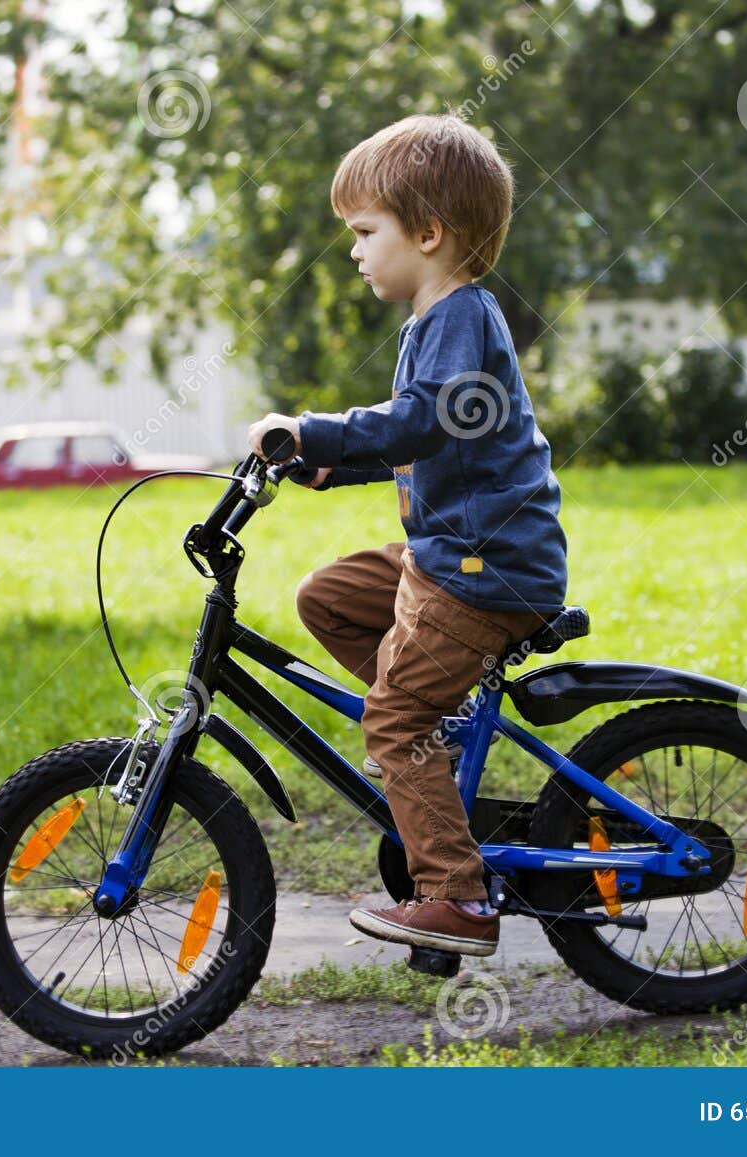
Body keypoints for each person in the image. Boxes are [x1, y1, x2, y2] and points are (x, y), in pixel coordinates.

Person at [246, 113, 569, 958]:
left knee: (389, 721)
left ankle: (456, 898)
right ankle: (443, 731)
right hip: (449, 554)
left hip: (482, 569)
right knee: (328, 598)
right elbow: (421, 443)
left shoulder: (462, 315)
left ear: (427, 233)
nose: (353, 250)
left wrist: (313, 428)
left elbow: (420, 421)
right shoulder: (434, 321)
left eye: (364, 231)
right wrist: (325, 465)